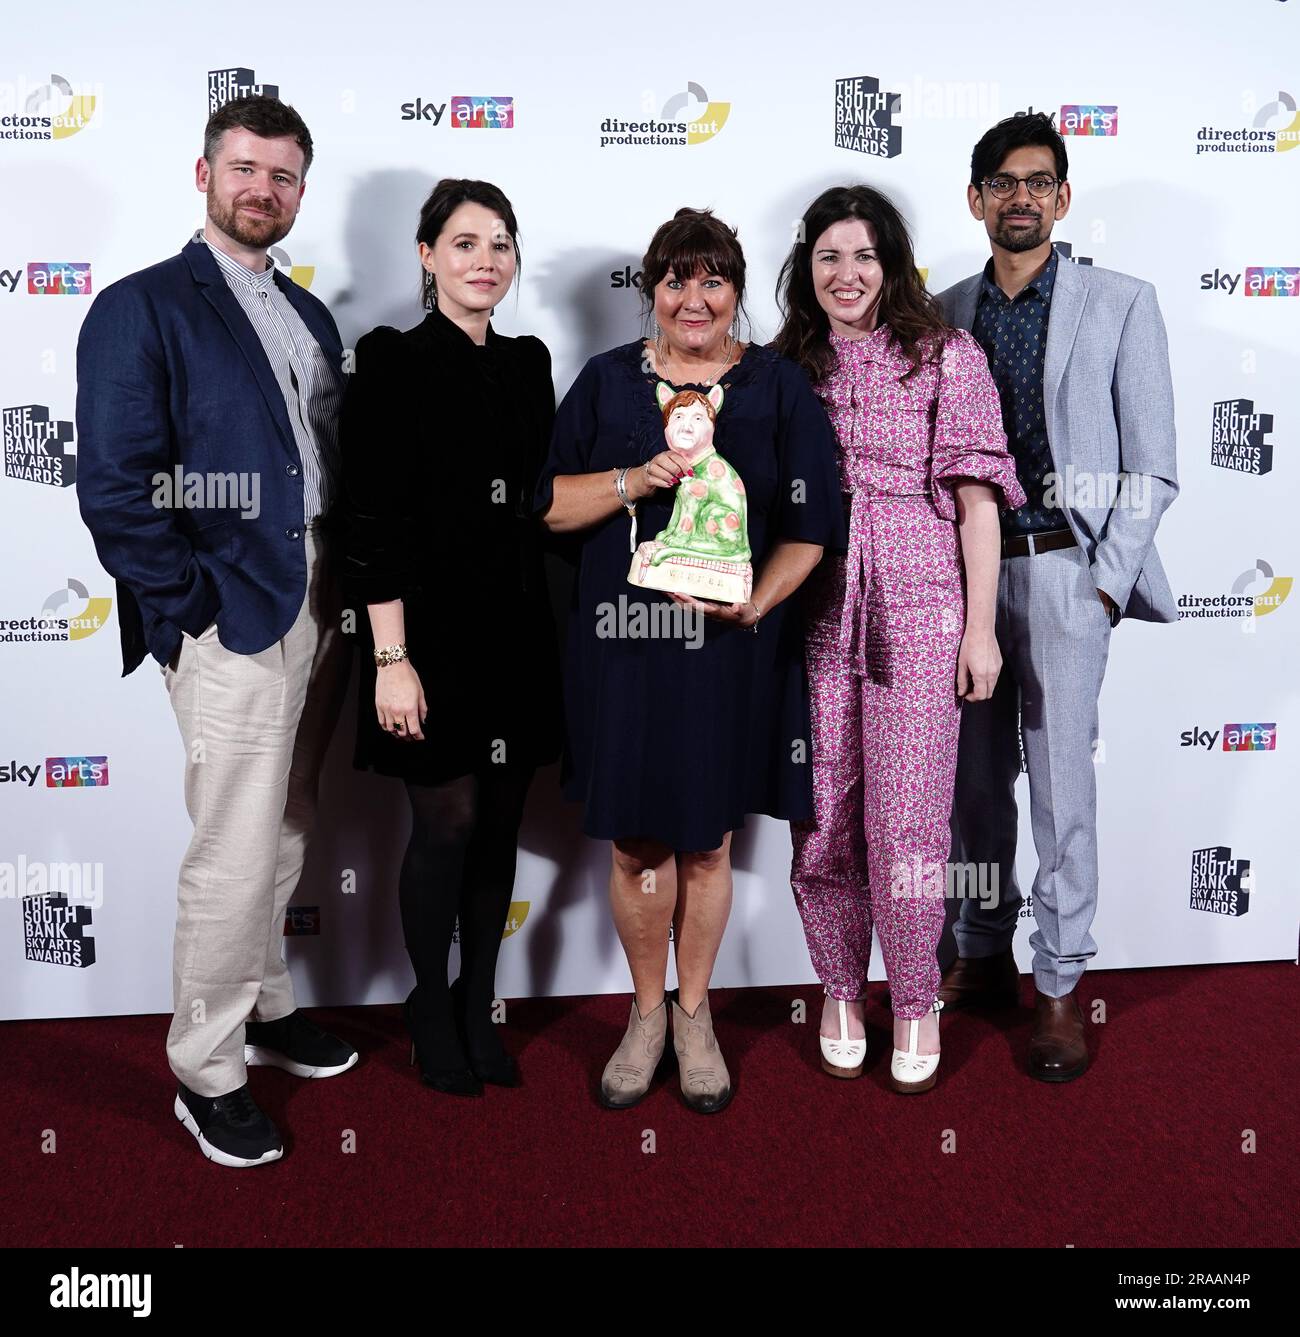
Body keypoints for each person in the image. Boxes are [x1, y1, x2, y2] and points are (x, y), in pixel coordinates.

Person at [75, 95, 356, 1168]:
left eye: (283, 177)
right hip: (235, 609)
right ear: (204, 175)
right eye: (244, 170)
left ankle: (266, 1005)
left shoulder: (307, 313)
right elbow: (115, 483)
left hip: (320, 593)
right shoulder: (141, 307)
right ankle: (207, 1068)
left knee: (286, 821)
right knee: (233, 843)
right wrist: (192, 606)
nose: (263, 191)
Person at [538, 208, 843, 1114]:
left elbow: (813, 528)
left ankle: (696, 1011)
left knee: (708, 841)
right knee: (638, 839)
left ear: (738, 291)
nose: (695, 297)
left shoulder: (781, 386)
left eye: (713, 279)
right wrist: (638, 479)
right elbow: (548, 505)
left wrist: (754, 602)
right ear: (652, 292)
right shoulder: (601, 384)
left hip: (729, 650)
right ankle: (644, 1014)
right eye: (676, 279)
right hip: (624, 652)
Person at [936, 113, 1179, 1081]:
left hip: (1068, 572)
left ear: (1063, 196)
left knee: (1062, 787)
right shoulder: (944, 309)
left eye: (1039, 181)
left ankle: (1061, 983)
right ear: (975, 199)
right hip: (964, 577)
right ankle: (981, 948)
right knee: (971, 784)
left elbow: (1152, 465)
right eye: (1002, 182)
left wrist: (1106, 586)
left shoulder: (1121, 302)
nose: (1021, 196)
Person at [775, 186, 1024, 1093]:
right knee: (824, 811)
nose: (848, 274)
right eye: (830, 256)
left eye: (865, 256)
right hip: (813, 602)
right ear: (808, 267)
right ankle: (841, 983)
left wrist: (981, 627)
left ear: (892, 263)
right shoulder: (784, 365)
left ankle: (916, 995)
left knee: (910, 816)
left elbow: (978, 502)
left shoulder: (944, 354)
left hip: (922, 603)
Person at [338, 179, 561, 1096]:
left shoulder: (529, 362)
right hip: (423, 637)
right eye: (464, 243)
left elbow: (548, 504)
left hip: (514, 629)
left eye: (501, 243)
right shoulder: (390, 358)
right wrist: (392, 658)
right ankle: (429, 999)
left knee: (500, 825)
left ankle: (481, 1002)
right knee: (447, 823)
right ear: (427, 256)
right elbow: (372, 517)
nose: (486, 260)